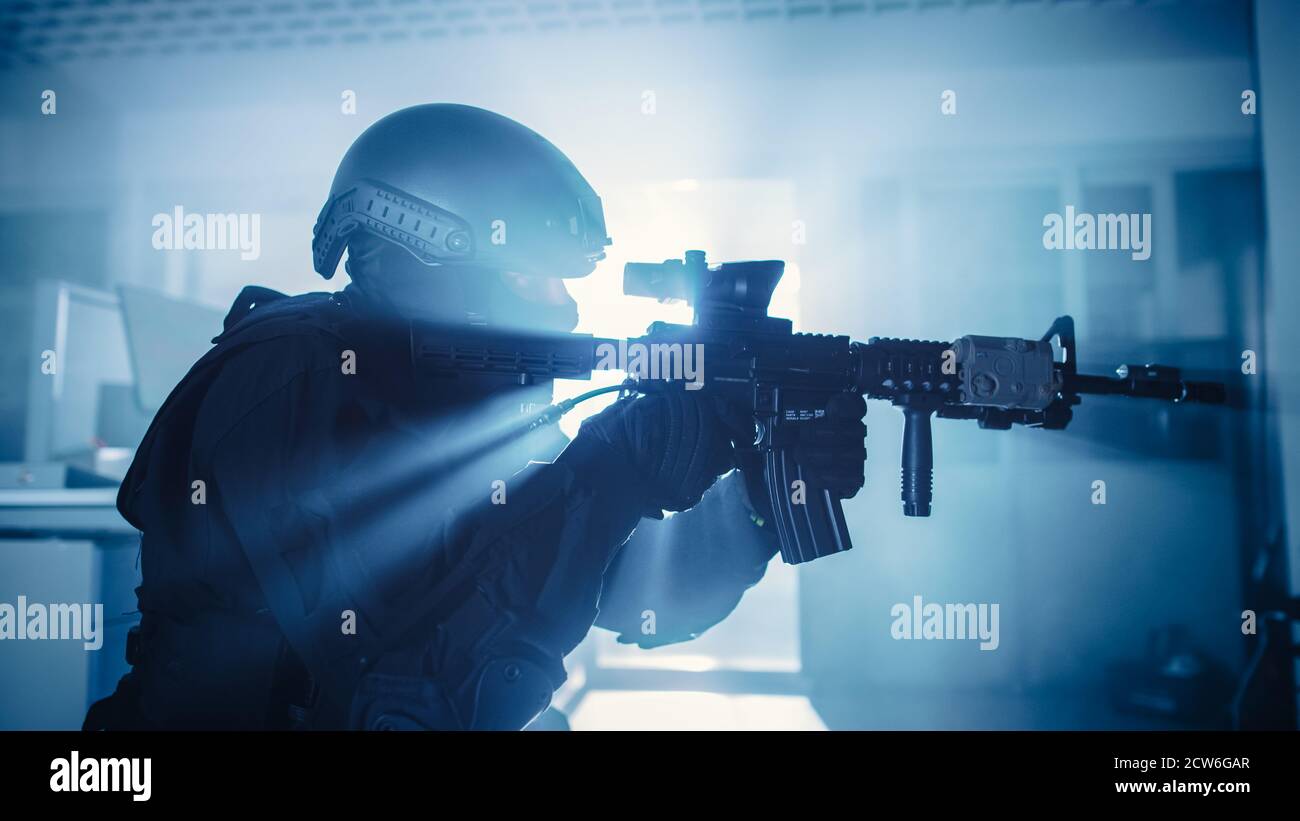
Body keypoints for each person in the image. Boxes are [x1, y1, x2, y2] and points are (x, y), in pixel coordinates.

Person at [85, 104, 861, 730]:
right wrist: (616, 472)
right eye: (530, 276)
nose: (565, 307)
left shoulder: (470, 400)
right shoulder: (286, 378)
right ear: (424, 258)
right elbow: (418, 678)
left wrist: (756, 501)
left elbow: (623, 588)